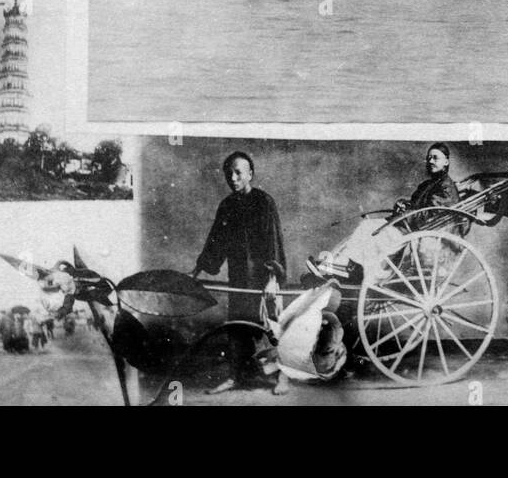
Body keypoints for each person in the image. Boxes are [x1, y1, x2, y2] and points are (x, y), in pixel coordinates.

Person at [191, 150, 287, 394]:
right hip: (239, 275)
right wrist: (200, 267)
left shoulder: (264, 202)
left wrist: (272, 279)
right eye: (229, 173)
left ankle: (284, 377)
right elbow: (216, 241)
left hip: (263, 278)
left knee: (273, 327)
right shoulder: (227, 205)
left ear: (250, 174)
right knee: (237, 326)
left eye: (238, 173)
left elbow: (273, 242)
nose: (232, 178)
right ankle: (237, 376)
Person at [306, 143, 460, 281]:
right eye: (429, 158)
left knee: (373, 235)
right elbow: (417, 205)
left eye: (435, 158)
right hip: (405, 224)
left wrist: (407, 211)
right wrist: (404, 204)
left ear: (446, 161)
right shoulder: (429, 184)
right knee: (366, 225)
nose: (431, 161)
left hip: (414, 233)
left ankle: (352, 268)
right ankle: (341, 265)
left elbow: (432, 214)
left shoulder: (446, 187)